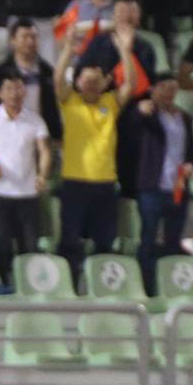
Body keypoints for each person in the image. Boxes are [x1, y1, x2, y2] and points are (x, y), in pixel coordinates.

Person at [54, 46, 139, 276]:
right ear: (78, 81)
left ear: (105, 82)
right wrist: (68, 49)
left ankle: (102, 286)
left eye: (96, 80)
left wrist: (123, 49)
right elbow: (58, 78)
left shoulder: (110, 103)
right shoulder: (70, 101)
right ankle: (69, 286)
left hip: (105, 183)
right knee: (70, 240)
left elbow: (131, 84)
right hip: (74, 182)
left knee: (105, 241)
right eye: (86, 80)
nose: (91, 84)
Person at [119, 71, 193, 293]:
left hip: (178, 187)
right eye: (164, 87)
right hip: (152, 186)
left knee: (173, 240)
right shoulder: (146, 114)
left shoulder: (185, 118)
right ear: (153, 90)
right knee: (148, 238)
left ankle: (170, 285)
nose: (168, 93)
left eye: (172, 88)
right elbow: (127, 127)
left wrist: (191, 165)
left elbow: (189, 151)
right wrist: (138, 111)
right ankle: (146, 286)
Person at [0, 67, 54, 283]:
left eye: (19, 88)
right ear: (0, 93)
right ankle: (4, 285)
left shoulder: (35, 120)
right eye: (9, 88)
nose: (15, 93)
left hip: (27, 193)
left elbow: (44, 151)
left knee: (30, 245)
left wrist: (43, 175)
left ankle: (31, 286)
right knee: (1, 244)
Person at [0, 20, 61, 139]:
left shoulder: (48, 72)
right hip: (8, 134)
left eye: (33, 37)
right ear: (13, 41)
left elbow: (53, 107)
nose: (30, 42)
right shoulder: (0, 72)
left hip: (40, 134)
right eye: (25, 37)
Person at [76, 0, 158, 86]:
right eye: (122, 11)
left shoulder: (146, 47)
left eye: (132, 11)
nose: (127, 16)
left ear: (139, 18)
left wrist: (127, 49)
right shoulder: (98, 41)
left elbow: (147, 82)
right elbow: (80, 73)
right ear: (113, 16)